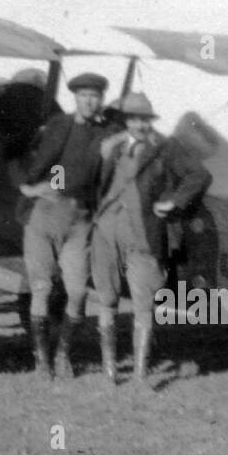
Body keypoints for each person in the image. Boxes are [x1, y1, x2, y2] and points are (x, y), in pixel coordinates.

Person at [90, 91, 211, 387]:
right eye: (133, 119)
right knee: (106, 299)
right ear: (125, 121)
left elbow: (199, 175)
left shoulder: (167, 148)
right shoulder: (113, 148)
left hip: (143, 237)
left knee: (144, 305)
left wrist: (173, 201)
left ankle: (141, 375)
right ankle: (110, 373)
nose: (140, 125)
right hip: (106, 232)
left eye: (145, 119)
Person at [18, 71, 119, 378]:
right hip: (45, 216)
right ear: (75, 98)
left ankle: (63, 355)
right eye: (84, 96)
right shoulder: (59, 126)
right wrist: (31, 189)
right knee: (41, 287)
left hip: (80, 220)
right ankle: (41, 361)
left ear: (102, 100)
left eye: (95, 97)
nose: (89, 102)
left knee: (77, 291)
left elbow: (126, 139)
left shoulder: (108, 131)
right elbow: (31, 167)